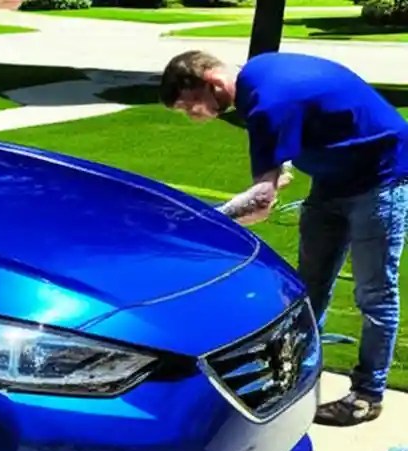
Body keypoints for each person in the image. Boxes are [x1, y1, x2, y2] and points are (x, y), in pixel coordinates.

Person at [159, 50, 408, 427]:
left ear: (211, 83)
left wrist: (207, 220)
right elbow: (284, 165)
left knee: (374, 293)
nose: (195, 116)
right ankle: (297, 376)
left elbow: (262, 200)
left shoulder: (266, 100)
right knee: (308, 287)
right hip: (333, 180)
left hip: (381, 180)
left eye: (191, 105)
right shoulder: (258, 79)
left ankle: (367, 395)